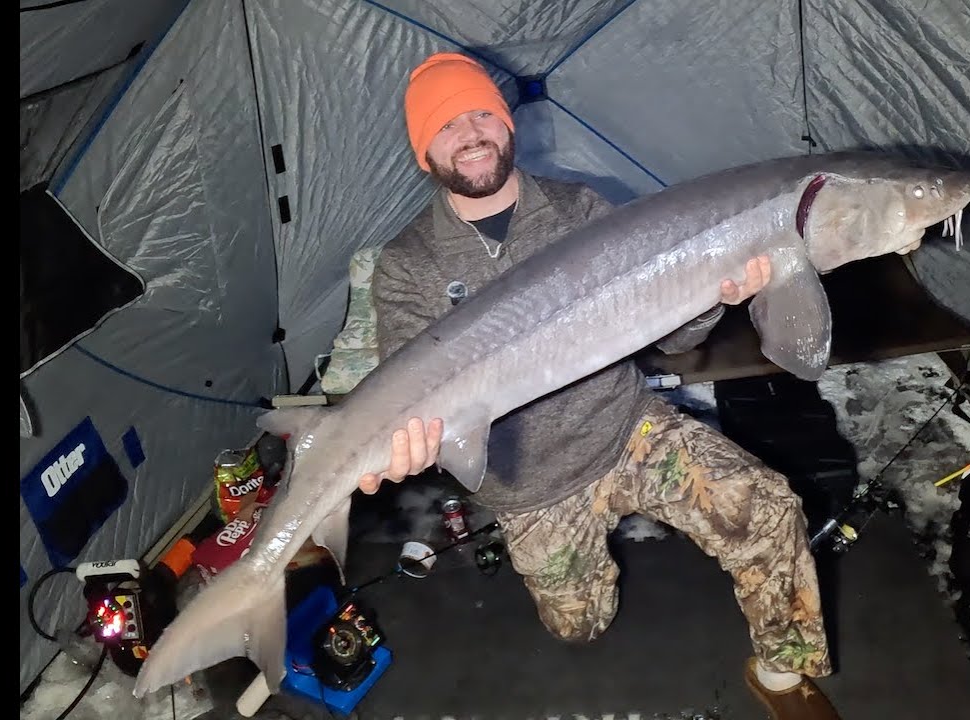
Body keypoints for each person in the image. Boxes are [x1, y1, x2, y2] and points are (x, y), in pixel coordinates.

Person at [358, 51, 842, 720]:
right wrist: (415, 445)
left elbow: (675, 340)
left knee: (768, 509)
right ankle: (583, 568)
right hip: (527, 479)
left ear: (507, 124)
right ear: (423, 153)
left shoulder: (579, 207)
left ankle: (784, 674)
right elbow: (408, 398)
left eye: (480, 115)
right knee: (581, 625)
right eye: (446, 126)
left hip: (624, 428)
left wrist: (718, 292)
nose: (469, 135)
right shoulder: (407, 264)